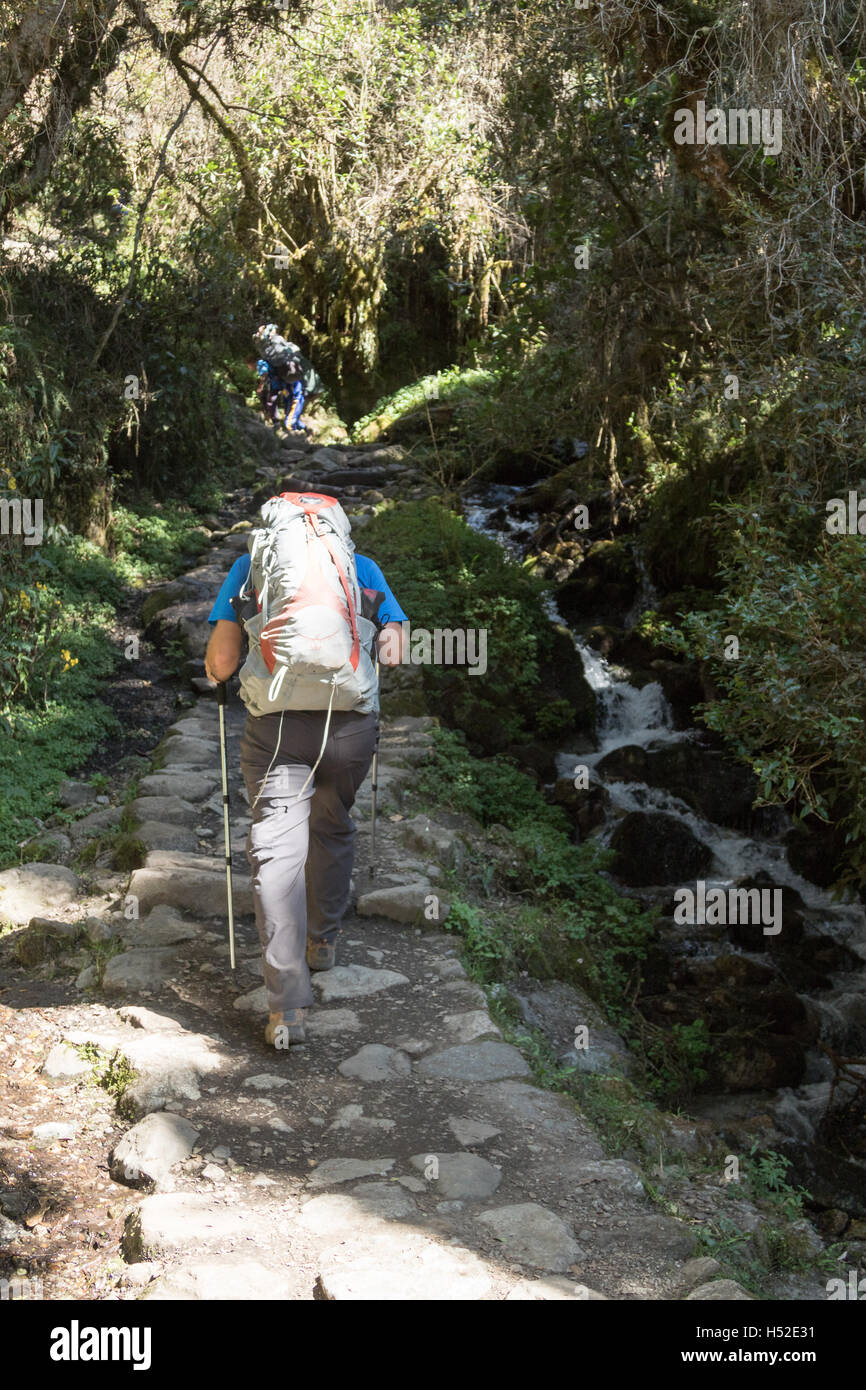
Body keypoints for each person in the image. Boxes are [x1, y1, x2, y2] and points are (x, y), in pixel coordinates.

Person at [204, 529, 407, 1049]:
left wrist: (219, 670)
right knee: (333, 822)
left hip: (277, 729)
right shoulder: (362, 567)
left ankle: (287, 1006)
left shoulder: (250, 568)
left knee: (276, 853)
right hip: (350, 732)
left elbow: (222, 664)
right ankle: (324, 939)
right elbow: (396, 646)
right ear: (337, 531)